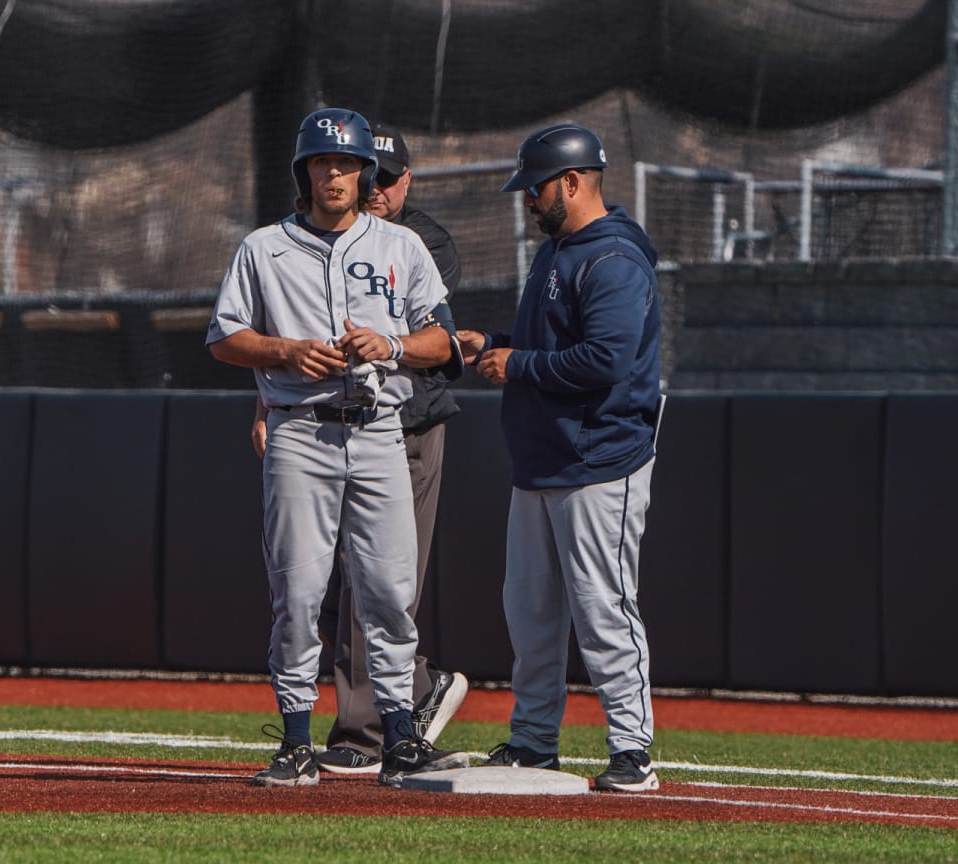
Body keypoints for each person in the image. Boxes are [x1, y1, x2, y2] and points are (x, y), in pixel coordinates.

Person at [207, 107, 470, 788]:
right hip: (301, 431)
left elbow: (442, 343)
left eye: (347, 164)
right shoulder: (264, 247)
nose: (336, 174)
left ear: (365, 174)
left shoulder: (402, 247)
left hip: (380, 429)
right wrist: (286, 351)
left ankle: (401, 737)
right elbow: (224, 337)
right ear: (305, 171)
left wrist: (391, 345)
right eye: (324, 163)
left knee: (389, 591)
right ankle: (296, 739)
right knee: (298, 591)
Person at [457, 123, 663, 792]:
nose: (526, 201)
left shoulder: (613, 259)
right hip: (541, 462)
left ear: (571, 183)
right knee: (531, 612)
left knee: (605, 609)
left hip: (599, 458)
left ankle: (632, 750)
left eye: (535, 188)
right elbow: (552, 341)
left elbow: (605, 359)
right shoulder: (561, 251)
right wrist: (493, 341)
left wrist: (518, 363)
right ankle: (534, 740)